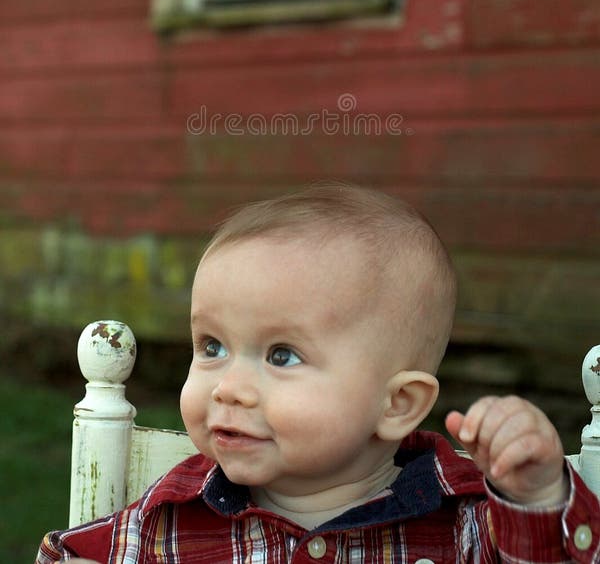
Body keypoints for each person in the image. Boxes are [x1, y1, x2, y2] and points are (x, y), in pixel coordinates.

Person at [36, 183, 599, 563]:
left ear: (397, 404)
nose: (228, 387)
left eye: (281, 355)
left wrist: (537, 497)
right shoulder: (169, 522)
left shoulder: (465, 525)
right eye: (211, 346)